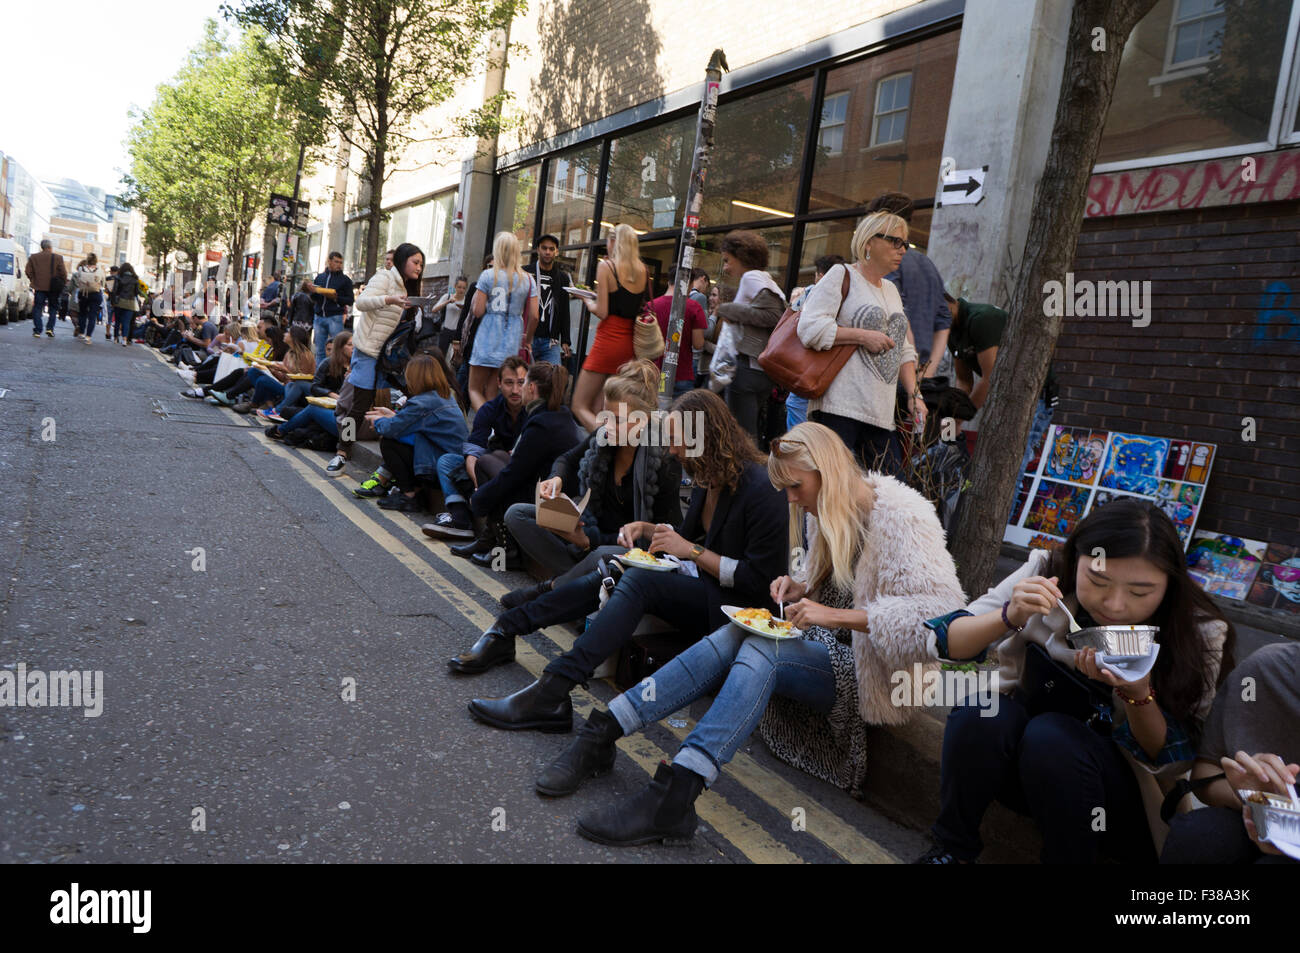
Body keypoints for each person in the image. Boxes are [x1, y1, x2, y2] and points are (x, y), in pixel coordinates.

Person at [547, 421, 965, 842]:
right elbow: (835, 579)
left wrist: (834, 616)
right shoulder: (825, 506)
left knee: (764, 649)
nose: (790, 498)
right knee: (737, 632)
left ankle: (676, 792)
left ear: (828, 472)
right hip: (821, 646)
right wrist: (801, 583)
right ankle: (606, 729)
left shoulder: (905, 516)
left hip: (870, 671)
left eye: (796, 486)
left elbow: (942, 617)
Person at [917, 499, 1235, 864]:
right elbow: (945, 642)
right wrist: (1011, 614)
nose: (1114, 605)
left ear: (1170, 585)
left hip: (1115, 796)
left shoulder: (1198, 632)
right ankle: (951, 851)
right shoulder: (1047, 573)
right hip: (1024, 769)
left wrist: (1137, 694)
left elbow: (1175, 763)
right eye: (1097, 581)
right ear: (1076, 559)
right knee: (981, 713)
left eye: (1139, 592)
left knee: (1051, 735)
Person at [460, 389, 787, 725]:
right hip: (703, 587)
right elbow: (689, 541)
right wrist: (647, 529)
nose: (673, 450)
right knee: (615, 567)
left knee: (639, 581)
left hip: (735, 611)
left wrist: (690, 550)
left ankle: (552, 689)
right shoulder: (708, 475)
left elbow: (759, 582)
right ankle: (506, 630)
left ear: (706, 437)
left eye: (678, 441)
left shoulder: (761, 488)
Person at [497, 359, 682, 609]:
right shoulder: (604, 436)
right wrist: (557, 479)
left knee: (601, 554)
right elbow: (567, 459)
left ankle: (550, 590)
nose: (607, 426)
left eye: (618, 420)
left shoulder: (665, 462)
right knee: (517, 514)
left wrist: (587, 540)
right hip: (585, 534)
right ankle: (579, 583)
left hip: (625, 555)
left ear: (644, 420)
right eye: (605, 416)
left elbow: (665, 536)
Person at [796, 212, 923, 474]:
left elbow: (903, 348)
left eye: (905, 244)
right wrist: (862, 336)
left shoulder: (890, 290)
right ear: (868, 242)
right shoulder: (841, 275)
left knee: (889, 496)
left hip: (880, 414)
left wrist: (914, 395)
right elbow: (809, 328)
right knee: (830, 493)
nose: (902, 250)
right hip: (838, 408)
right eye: (895, 242)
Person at [1159, 642, 1298, 864]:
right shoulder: (1268, 669)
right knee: (1199, 837)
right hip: (1257, 819)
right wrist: (1255, 798)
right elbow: (1205, 773)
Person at [449, 362, 583, 569]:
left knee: (486, 463)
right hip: (545, 486)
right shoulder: (554, 414)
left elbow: (514, 476)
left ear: (531, 388)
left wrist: (479, 498)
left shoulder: (542, 423)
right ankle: (488, 540)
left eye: (523, 382)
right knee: (499, 456)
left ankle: (507, 549)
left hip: (549, 498)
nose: (518, 389)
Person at [326, 243, 424, 477]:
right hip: (368, 352)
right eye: (416, 262)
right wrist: (390, 300)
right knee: (358, 406)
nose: (419, 268)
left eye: (421, 264)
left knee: (414, 393)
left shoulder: (408, 287)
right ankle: (342, 453)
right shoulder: (385, 278)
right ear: (402, 261)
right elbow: (361, 303)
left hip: (391, 357)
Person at [944, 290, 1059, 476]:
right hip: (1003, 396)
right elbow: (964, 381)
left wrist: (959, 417)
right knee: (989, 466)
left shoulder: (982, 319)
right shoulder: (951, 331)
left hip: (1031, 396)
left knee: (1009, 469)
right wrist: (953, 418)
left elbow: (991, 378)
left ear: (945, 304)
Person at [419, 357, 529, 535]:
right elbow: (473, 453)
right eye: (509, 383)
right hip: (487, 469)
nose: (515, 390)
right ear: (499, 383)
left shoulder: (533, 411)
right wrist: (481, 486)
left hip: (518, 473)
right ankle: (459, 517)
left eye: (521, 383)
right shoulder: (489, 410)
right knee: (447, 462)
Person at [358, 354, 469, 513]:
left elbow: (391, 429)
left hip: (441, 468)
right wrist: (391, 416)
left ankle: (409, 496)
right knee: (402, 438)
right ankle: (409, 489)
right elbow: (411, 423)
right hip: (451, 461)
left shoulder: (422, 402)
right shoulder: (443, 396)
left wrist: (377, 421)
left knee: (389, 443)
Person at [571, 224, 648, 432]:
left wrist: (586, 300)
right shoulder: (642, 269)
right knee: (601, 407)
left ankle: (605, 441)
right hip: (628, 344)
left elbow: (602, 311)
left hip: (607, 340)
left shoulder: (607, 266)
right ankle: (600, 451)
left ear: (614, 241)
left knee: (579, 404)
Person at [713, 229, 787, 441]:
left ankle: (746, 472)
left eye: (728, 260)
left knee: (742, 436)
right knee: (745, 431)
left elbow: (774, 315)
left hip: (746, 368)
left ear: (741, 257)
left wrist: (727, 310)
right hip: (761, 371)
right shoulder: (768, 280)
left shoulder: (751, 277)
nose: (726, 267)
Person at [866, 192, 950, 377]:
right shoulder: (926, 263)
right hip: (918, 371)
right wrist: (927, 371)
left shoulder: (887, 261)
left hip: (890, 368)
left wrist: (911, 364)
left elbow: (898, 314)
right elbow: (944, 320)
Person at [468, 233, 538, 411]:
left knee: (474, 389)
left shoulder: (488, 275)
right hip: (511, 340)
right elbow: (535, 316)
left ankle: (488, 426)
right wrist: (528, 340)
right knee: (492, 391)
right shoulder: (528, 279)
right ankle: (493, 427)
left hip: (487, 337)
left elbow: (478, 311)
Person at [786, 254, 845, 429]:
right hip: (832, 370)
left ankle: (797, 451)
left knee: (796, 408)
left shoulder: (811, 292)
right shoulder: (846, 297)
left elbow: (791, 320)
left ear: (820, 275)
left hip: (807, 365)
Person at [649, 266, 707, 398]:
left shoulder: (650, 306)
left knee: (654, 416)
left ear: (669, 281)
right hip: (682, 373)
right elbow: (698, 343)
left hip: (654, 372)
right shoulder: (694, 307)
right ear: (690, 283)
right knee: (682, 417)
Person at [526, 234, 572, 366]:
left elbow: (564, 309)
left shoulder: (562, 277)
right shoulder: (526, 272)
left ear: (556, 252)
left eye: (551, 249)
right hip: (529, 337)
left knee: (553, 377)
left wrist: (566, 340)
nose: (547, 252)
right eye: (544, 248)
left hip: (550, 341)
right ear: (537, 250)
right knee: (523, 377)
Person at [308, 251, 356, 365]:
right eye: (336, 262)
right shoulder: (320, 277)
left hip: (335, 317)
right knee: (320, 350)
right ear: (329, 261)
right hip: (319, 316)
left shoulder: (345, 280)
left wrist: (336, 298)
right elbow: (314, 298)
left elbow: (350, 300)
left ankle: (335, 374)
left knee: (337, 349)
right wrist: (312, 291)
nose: (339, 265)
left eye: (340, 262)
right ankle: (319, 376)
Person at [25, 239, 67, 338]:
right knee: (53, 308)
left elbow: (28, 271)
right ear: (50, 247)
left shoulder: (34, 257)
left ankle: (37, 330)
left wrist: (34, 279)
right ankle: (50, 328)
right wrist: (62, 283)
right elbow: (63, 273)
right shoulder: (58, 258)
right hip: (53, 288)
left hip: (39, 286)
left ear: (42, 247)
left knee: (38, 308)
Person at [74, 254, 105, 344]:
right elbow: (103, 283)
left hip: (83, 293)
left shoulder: (81, 269)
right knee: (92, 316)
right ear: (96, 260)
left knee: (83, 313)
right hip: (95, 293)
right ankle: (88, 337)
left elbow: (78, 279)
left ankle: (81, 333)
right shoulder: (100, 270)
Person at [435, 276, 469, 357]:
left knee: (457, 358)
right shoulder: (447, 296)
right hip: (446, 330)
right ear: (455, 286)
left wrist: (464, 309)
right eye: (459, 287)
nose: (461, 290)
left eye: (464, 288)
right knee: (440, 356)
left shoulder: (466, 300)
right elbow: (434, 309)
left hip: (458, 333)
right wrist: (448, 302)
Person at [110, 263, 141, 347]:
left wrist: (113, 302)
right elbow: (136, 292)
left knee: (117, 321)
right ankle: (124, 339)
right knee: (126, 322)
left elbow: (114, 291)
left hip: (120, 301)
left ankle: (116, 338)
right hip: (130, 303)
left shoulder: (118, 277)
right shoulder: (135, 279)